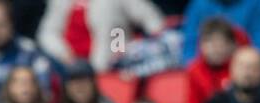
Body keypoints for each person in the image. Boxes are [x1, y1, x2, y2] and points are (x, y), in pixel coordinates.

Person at [37, 0, 165, 72]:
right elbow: (47, 33)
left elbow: (152, 20)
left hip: (115, 69)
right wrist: (63, 53)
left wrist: (139, 50)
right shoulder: (61, 2)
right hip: (74, 71)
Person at [184, 17, 241, 103]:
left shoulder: (239, 67)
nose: (215, 49)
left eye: (221, 44)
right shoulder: (194, 70)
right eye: (209, 43)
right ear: (200, 45)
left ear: (232, 45)